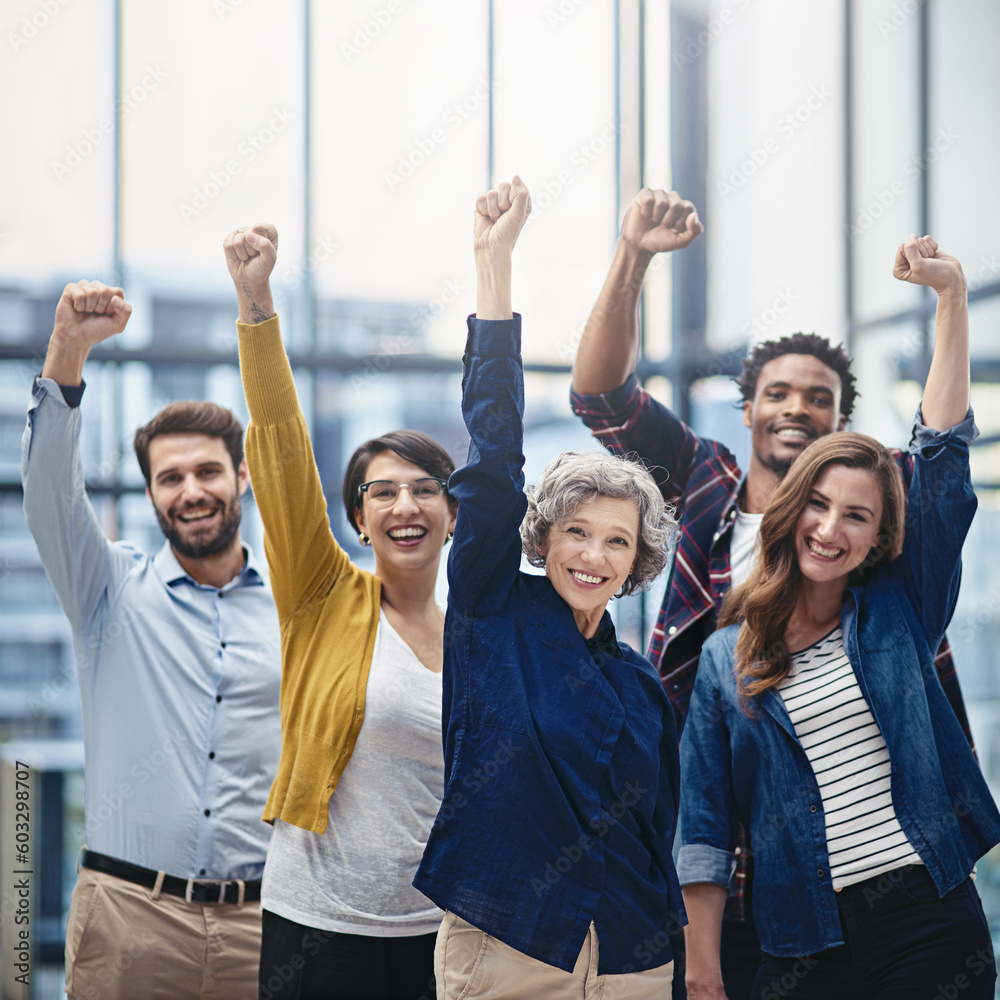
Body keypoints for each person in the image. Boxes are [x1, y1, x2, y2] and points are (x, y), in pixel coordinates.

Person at [570, 189, 976, 998]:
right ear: (749, 407)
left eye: (819, 398)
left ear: (840, 422)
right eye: (780, 393)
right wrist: (635, 255)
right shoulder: (703, 480)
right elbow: (600, 394)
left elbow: (940, 454)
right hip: (732, 847)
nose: (797, 407)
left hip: (894, 861)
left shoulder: (878, 511)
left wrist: (950, 299)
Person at [678, 232, 998, 999]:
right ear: (790, 510)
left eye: (857, 515)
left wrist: (952, 299)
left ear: (880, 537)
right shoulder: (726, 658)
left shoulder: (901, 609)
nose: (830, 529)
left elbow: (942, 461)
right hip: (799, 939)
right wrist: (705, 974)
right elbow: (703, 825)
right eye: (817, 505)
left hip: (929, 919)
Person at [413, 176, 685, 999]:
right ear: (544, 537)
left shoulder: (641, 683)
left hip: (635, 957)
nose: (594, 556)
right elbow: (493, 459)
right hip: (511, 947)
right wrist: (493, 269)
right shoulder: (493, 611)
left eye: (617, 541)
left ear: (637, 561)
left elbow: (657, 834)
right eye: (577, 532)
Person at [21, 281, 282, 999]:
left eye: (207, 471)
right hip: (129, 918)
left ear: (242, 477)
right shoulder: (106, 589)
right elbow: (49, 492)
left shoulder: (291, 609)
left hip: (264, 925)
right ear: (151, 495)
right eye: (170, 478)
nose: (191, 491)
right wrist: (68, 349)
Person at [223, 223, 456, 1000]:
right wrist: (257, 307)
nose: (404, 505)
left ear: (452, 514)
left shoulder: (477, 640)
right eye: (382, 492)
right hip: (317, 933)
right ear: (359, 519)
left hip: (437, 933)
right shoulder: (323, 594)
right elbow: (282, 451)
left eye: (424, 489)